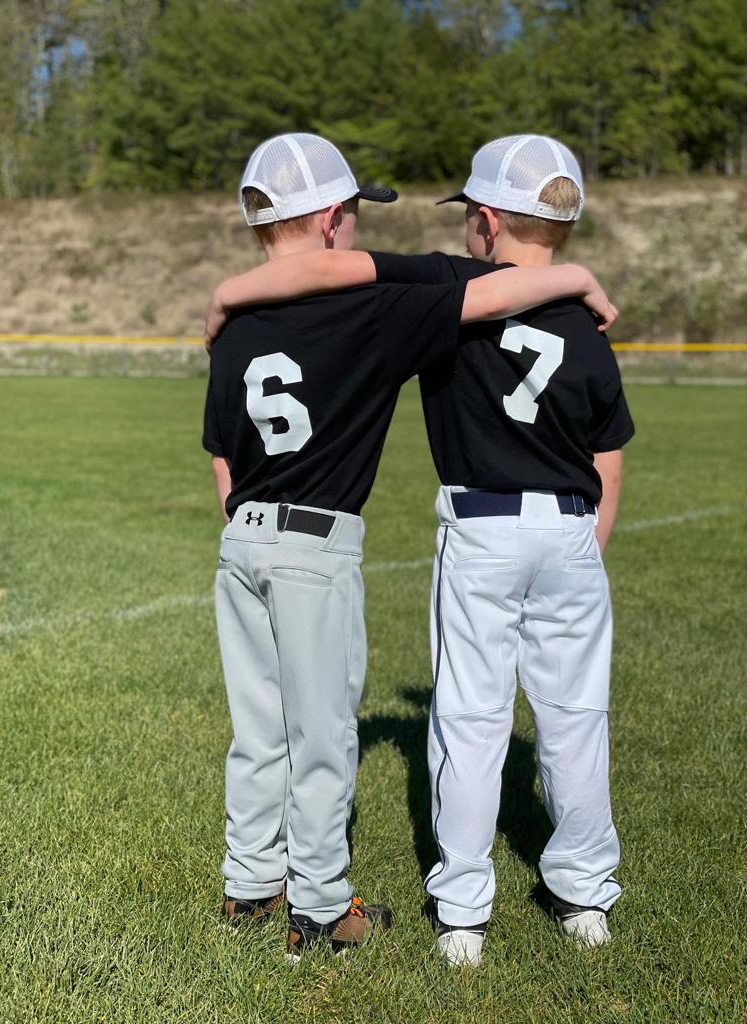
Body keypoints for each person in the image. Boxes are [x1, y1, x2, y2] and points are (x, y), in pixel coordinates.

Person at [204, 134, 633, 965]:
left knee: (281, 728)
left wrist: (224, 296)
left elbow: (223, 453)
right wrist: (579, 279)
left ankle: (284, 888)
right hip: (431, 537)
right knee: (554, 722)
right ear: (334, 216)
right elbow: (601, 443)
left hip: (265, 537)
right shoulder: (404, 309)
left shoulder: (260, 325)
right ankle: (335, 907)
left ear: (485, 219)